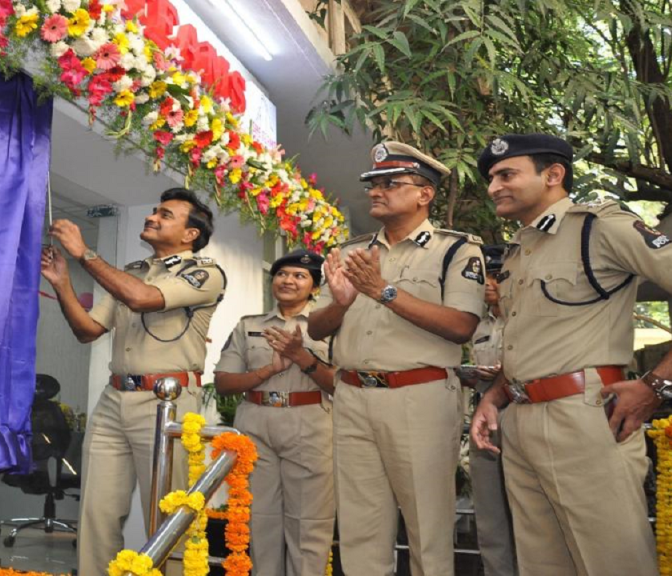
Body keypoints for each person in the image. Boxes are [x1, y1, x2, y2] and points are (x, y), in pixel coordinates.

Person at [470, 133, 672, 576]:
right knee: (543, 565)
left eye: (506, 175)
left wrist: (658, 383)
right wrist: (495, 394)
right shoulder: (518, 249)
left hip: (584, 416)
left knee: (613, 563)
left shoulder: (600, 227)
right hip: (521, 420)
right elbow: (531, 339)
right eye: (491, 178)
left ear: (553, 174)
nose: (493, 188)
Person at [309, 141, 486, 576]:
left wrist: (383, 291)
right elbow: (316, 329)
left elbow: (462, 326)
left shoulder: (455, 250)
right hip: (352, 395)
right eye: (373, 184)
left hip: (419, 397)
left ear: (425, 194)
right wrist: (341, 304)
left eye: (390, 183)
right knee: (360, 526)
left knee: (428, 524)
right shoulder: (351, 253)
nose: (376, 191)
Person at [40, 187, 226, 576]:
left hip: (167, 404)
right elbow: (88, 330)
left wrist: (84, 253)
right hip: (114, 399)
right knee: (97, 511)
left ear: (190, 234)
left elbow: (142, 299)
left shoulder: (205, 273)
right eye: (154, 210)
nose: (152, 217)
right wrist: (62, 283)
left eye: (165, 215)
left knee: (170, 513)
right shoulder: (131, 272)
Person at [213, 249, 337, 576]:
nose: (288, 280)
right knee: (260, 520)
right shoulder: (249, 325)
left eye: (299, 276)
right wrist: (268, 370)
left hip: (309, 422)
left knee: (309, 523)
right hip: (256, 423)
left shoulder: (327, 327)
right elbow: (224, 383)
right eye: (282, 274)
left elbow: (341, 385)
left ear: (314, 287)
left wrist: (301, 356)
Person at [458, 244, 518, 576]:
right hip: (484, 417)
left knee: (529, 509)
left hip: (522, 410)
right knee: (490, 513)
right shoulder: (476, 326)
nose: (490, 285)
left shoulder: (524, 318)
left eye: (497, 277)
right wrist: (470, 374)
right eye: (484, 278)